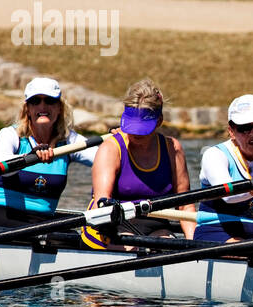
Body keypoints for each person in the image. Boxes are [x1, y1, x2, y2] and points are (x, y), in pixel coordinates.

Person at [80, 78, 195, 247]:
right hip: (109, 226)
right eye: (132, 127)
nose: (135, 134)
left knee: (167, 246)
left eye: (142, 129)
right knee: (134, 248)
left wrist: (193, 246)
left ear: (159, 121)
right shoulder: (111, 149)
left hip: (156, 227)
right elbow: (102, 203)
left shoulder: (172, 148)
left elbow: (185, 206)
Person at [0, 77, 97, 228]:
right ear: (27, 108)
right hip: (2, 216)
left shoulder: (69, 141)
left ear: (59, 108)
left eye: (49, 101)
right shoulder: (11, 135)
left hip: (40, 223)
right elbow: (1, 167)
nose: (43, 106)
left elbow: (104, 159)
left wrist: (118, 142)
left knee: (74, 239)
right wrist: (30, 157)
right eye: (35, 101)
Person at [194, 94, 253, 243]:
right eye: (245, 128)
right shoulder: (215, 155)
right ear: (231, 131)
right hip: (217, 232)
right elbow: (229, 196)